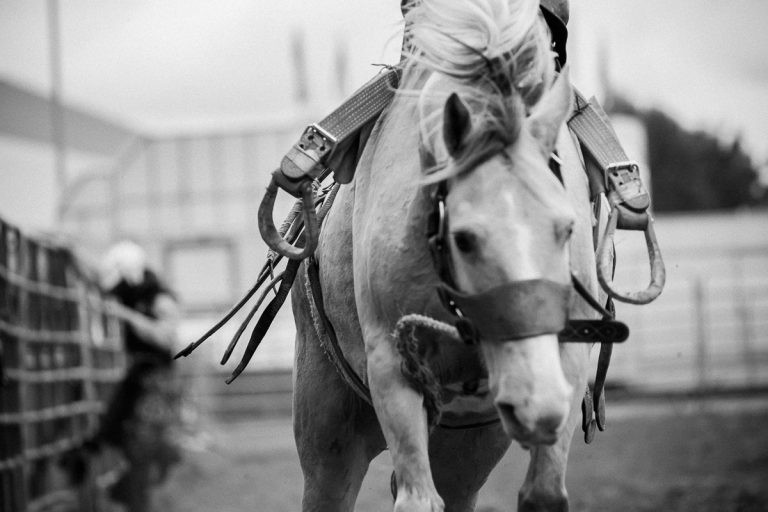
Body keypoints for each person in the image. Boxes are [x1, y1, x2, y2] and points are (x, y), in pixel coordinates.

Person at [94, 241, 183, 512]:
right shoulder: (130, 294)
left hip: (157, 379)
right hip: (139, 378)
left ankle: (146, 487)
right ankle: (136, 493)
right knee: (119, 432)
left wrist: (128, 317)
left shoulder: (159, 299)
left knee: (143, 442)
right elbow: (95, 276)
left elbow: (166, 337)